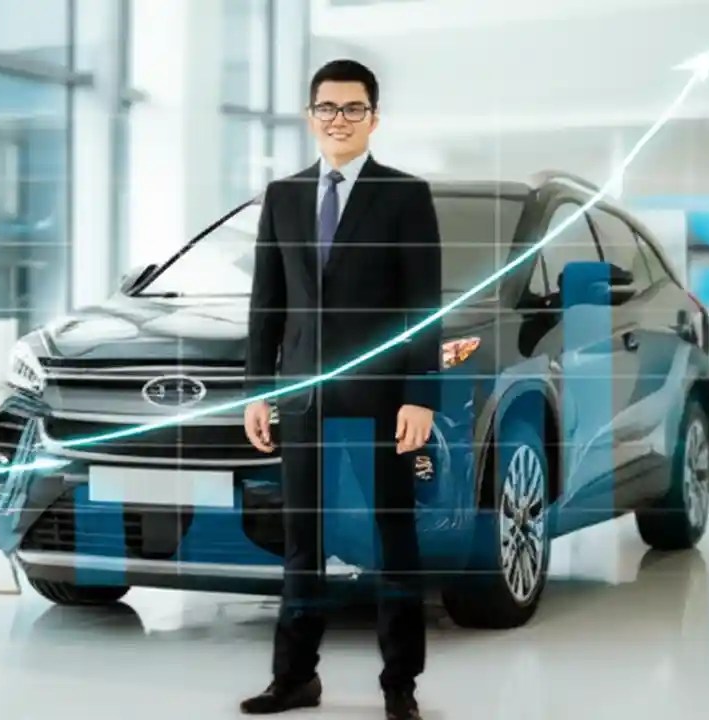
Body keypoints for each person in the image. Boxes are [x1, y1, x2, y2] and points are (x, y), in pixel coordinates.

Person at [240, 59, 441, 720]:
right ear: (311, 115)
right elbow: (267, 304)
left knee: (392, 537)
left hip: (381, 400)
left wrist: (420, 395)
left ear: (373, 118)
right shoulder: (284, 196)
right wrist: (257, 389)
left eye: (353, 108)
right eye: (327, 107)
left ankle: (399, 687)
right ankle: (295, 677)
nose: (338, 119)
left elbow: (424, 307)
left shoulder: (405, 196)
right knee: (302, 541)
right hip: (303, 397)